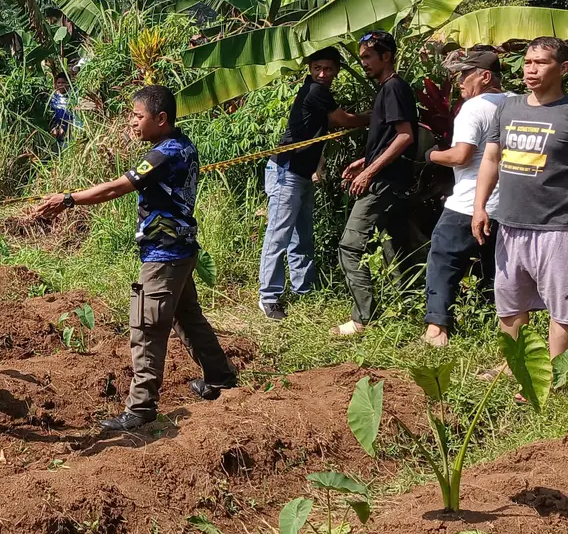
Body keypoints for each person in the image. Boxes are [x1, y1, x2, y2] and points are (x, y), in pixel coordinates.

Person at [34, 85, 237, 431]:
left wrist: (67, 199)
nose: (131, 122)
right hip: (182, 249)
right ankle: (220, 378)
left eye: (137, 116)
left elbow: (117, 187)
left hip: (164, 254)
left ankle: (141, 408)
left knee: (146, 327)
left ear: (160, 119)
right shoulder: (182, 145)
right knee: (188, 319)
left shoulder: (162, 155)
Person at [473, 36, 568, 367]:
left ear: (563, 68)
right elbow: (491, 160)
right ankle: (516, 368)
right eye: (528, 62)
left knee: (562, 309)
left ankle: (556, 379)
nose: (531, 69)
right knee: (510, 305)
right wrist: (479, 207)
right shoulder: (508, 108)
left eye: (541, 63)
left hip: (557, 228)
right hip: (510, 224)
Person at [258, 48, 369, 320]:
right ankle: (268, 297)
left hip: (302, 173)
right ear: (309, 68)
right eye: (317, 67)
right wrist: (376, 116)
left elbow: (326, 125)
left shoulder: (320, 93)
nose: (322, 74)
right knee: (279, 235)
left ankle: (303, 288)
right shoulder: (315, 91)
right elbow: (342, 120)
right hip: (287, 170)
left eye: (328, 69)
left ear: (337, 70)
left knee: (302, 234)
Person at [332, 31, 420, 338]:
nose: (364, 63)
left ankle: (363, 319)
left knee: (349, 247)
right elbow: (386, 137)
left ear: (387, 56)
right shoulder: (386, 89)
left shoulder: (394, 87)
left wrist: (369, 173)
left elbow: (405, 136)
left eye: (369, 57)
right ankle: (405, 308)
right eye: (362, 58)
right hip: (387, 178)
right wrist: (363, 162)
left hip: (384, 183)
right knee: (392, 245)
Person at [421, 47, 509, 347]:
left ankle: (437, 329)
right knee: (498, 269)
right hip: (507, 205)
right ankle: (502, 330)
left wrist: (431, 155)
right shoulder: (517, 104)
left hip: (470, 202)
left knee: (444, 258)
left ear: (485, 77)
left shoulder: (474, 108)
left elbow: (461, 156)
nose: (460, 81)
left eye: (465, 74)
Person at [49, 72, 75, 148]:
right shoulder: (53, 96)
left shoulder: (73, 95)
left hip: (69, 123)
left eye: (63, 83)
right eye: (58, 83)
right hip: (56, 124)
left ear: (68, 83)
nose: (60, 85)